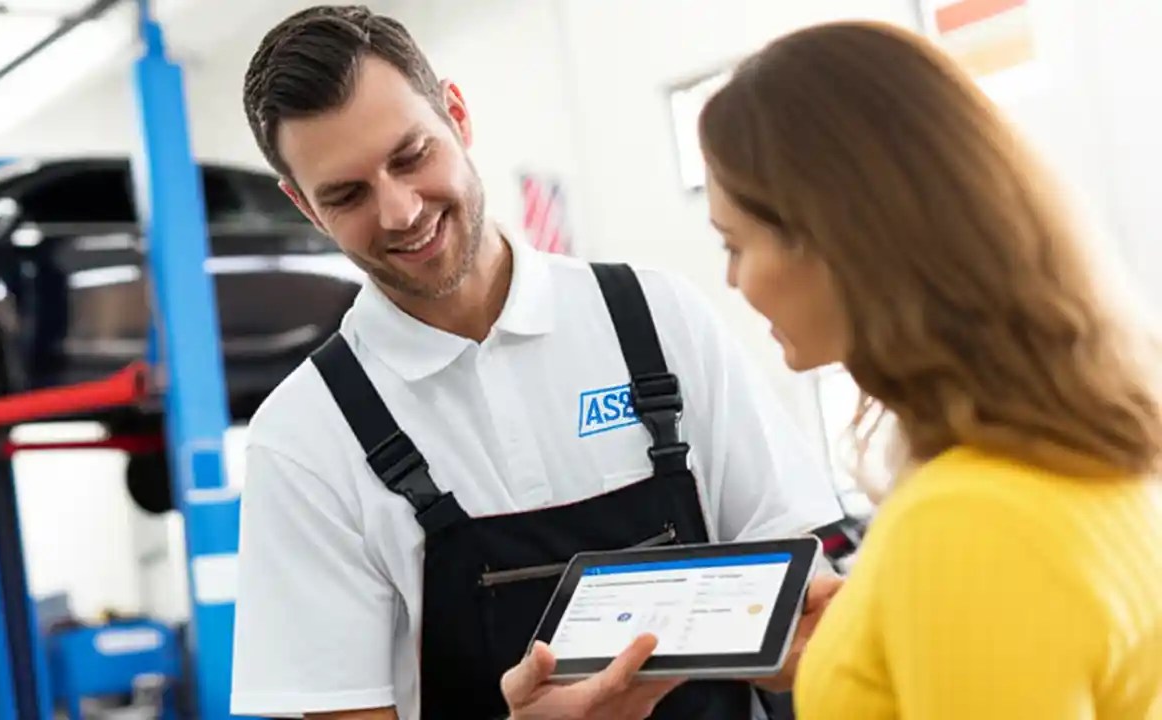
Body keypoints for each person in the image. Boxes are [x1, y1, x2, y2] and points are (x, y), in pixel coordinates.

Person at [502, 19, 1162, 720]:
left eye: (734, 244)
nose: (732, 280)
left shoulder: (964, 524)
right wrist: (864, 628)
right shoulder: (1072, 462)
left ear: (833, 239)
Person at [228, 5, 849, 720]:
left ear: (457, 115)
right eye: (347, 194)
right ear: (304, 206)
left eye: (411, 156)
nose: (400, 211)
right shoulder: (305, 441)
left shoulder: (657, 320)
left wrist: (809, 644)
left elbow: (802, 604)